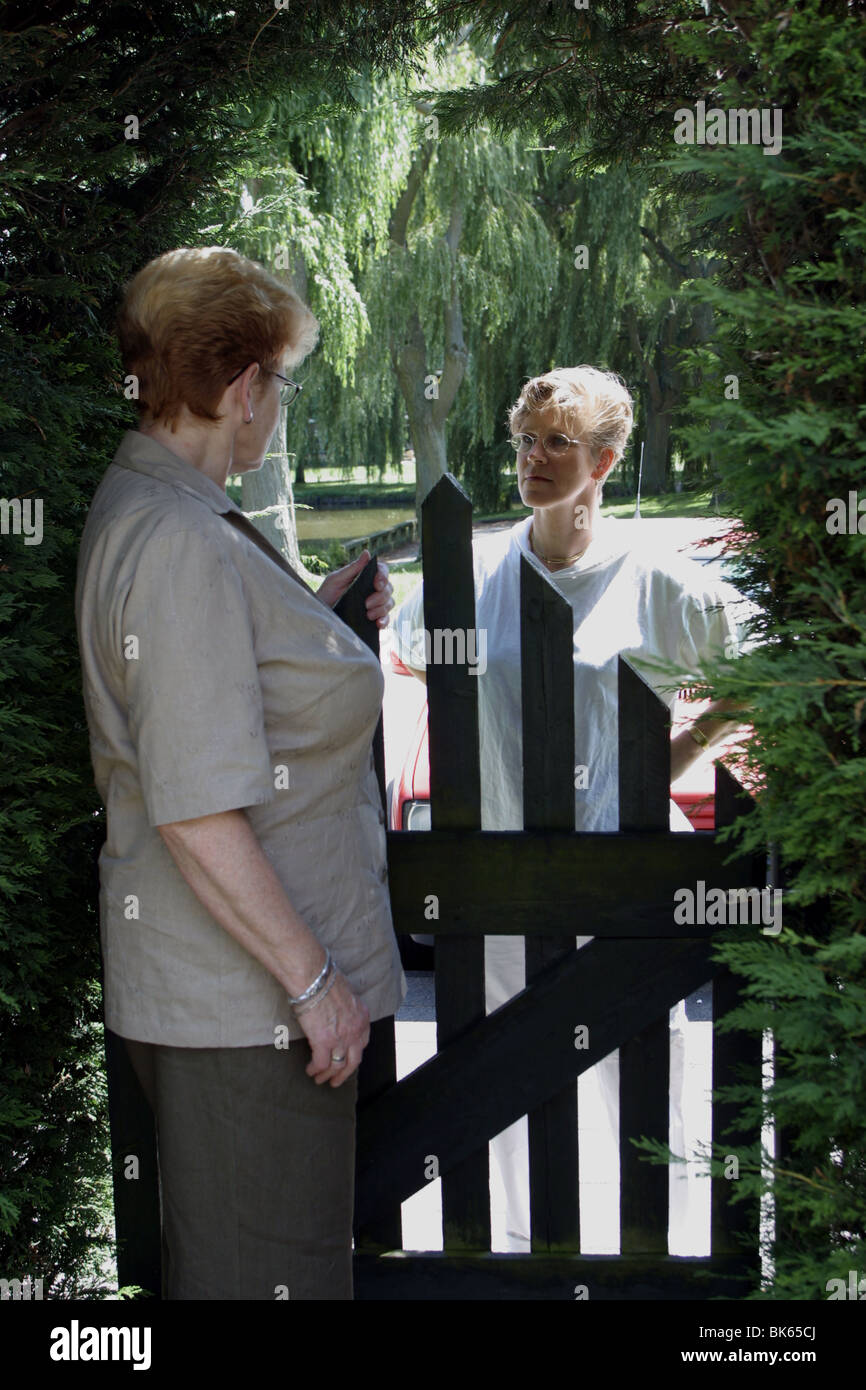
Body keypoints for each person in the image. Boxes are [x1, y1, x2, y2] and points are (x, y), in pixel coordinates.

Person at [75, 245, 405, 1300]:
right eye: (277, 380)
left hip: (235, 1008)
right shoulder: (179, 541)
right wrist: (315, 987)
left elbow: (217, 692)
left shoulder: (174, 513)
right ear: (239, 387)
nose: (275, 404)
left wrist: (315, 616)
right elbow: (196, 806)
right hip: (246, 1012)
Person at [391, 365, 755, 1254]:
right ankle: (517, 1260)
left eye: (559, 441)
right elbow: (400, 648)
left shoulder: (659, 582)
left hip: (625, 875)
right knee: (507, 1088)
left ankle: (653, 1262)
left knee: (644, 1085)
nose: (535, 458)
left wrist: (668, 761)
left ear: (608, 456)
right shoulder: (473, 576)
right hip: (501, 880)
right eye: (525, 440)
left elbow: (759, 671)